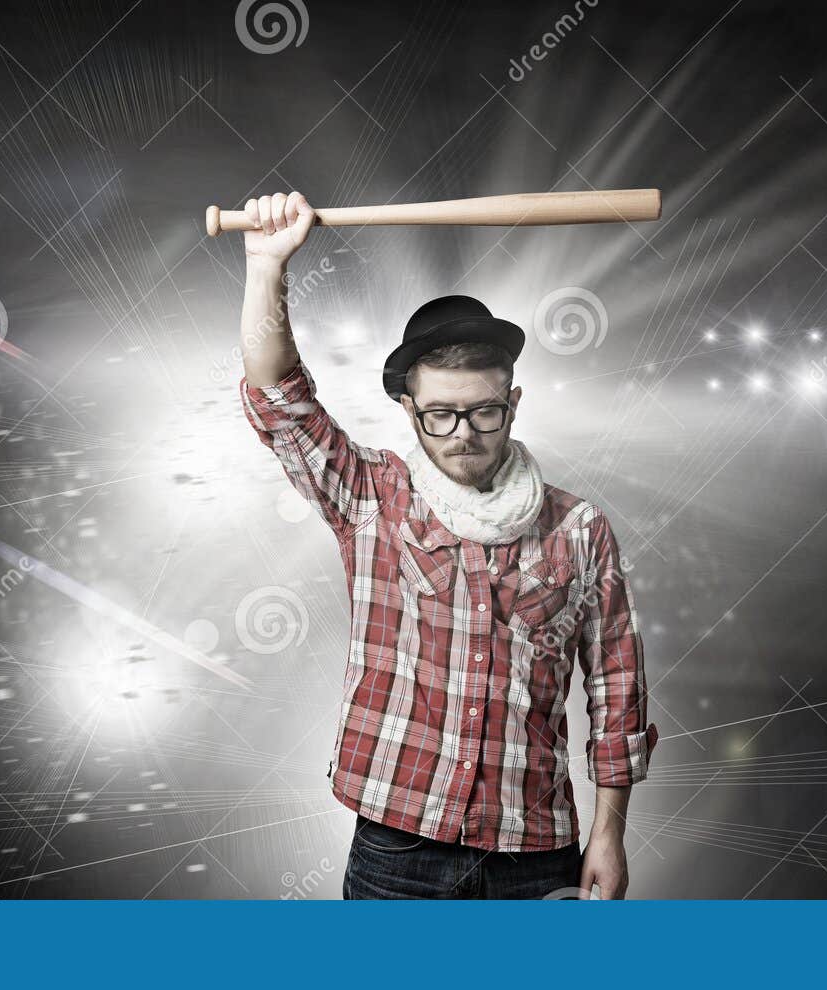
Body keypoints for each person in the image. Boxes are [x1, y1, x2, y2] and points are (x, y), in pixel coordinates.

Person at [237, 191, 656, 899]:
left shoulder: (579, 530)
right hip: (399, 853)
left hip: (537, 856)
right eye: (441, 414)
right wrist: (267, 267)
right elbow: (279, 397)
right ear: (410, 410)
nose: (465, 433)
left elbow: (618, 695)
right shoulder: (371, 497)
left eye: (485, 410)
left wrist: (609, 835)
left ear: (513, 403)